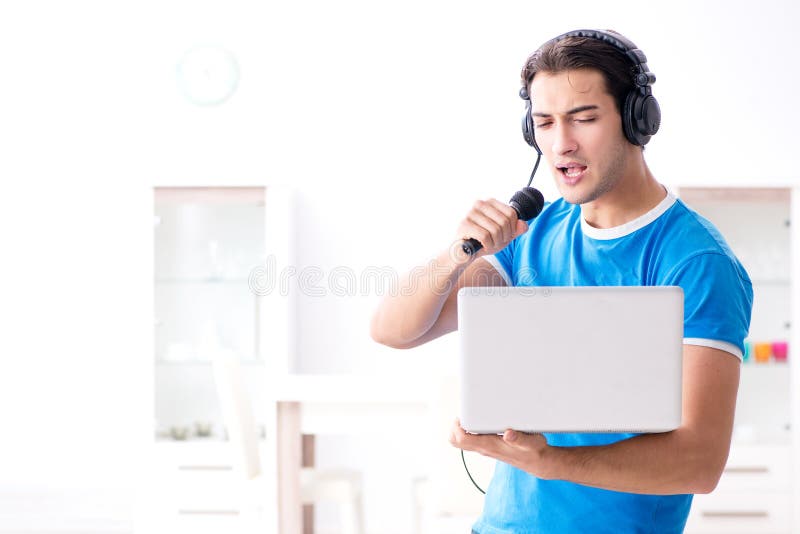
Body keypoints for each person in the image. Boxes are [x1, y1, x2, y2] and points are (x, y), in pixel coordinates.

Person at [370, 29, 753, 534]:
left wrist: (545, 461)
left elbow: (699, 462)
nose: (560, 144)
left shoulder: (696, 260)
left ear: (638, 121)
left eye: (584, 118)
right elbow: (393, 330)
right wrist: (456, 254)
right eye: (544, 123)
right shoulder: (534, 233)